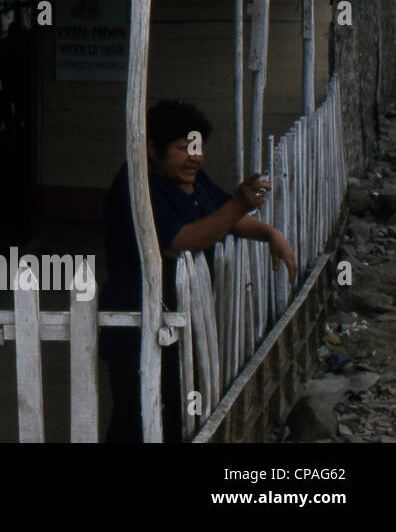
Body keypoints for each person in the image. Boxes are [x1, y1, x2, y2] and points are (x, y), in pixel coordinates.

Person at [99, 100, 298, 442]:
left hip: (181, 318)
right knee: (136, 415)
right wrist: (238, 205)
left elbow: (222, 216)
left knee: (179, 409)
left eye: (198, 147)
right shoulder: (135, 186)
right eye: (182, 148)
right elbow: (185, 238)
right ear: (153, 148)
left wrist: (269, 233)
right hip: (138, 323)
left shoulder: (192, 179)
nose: (195, 157)